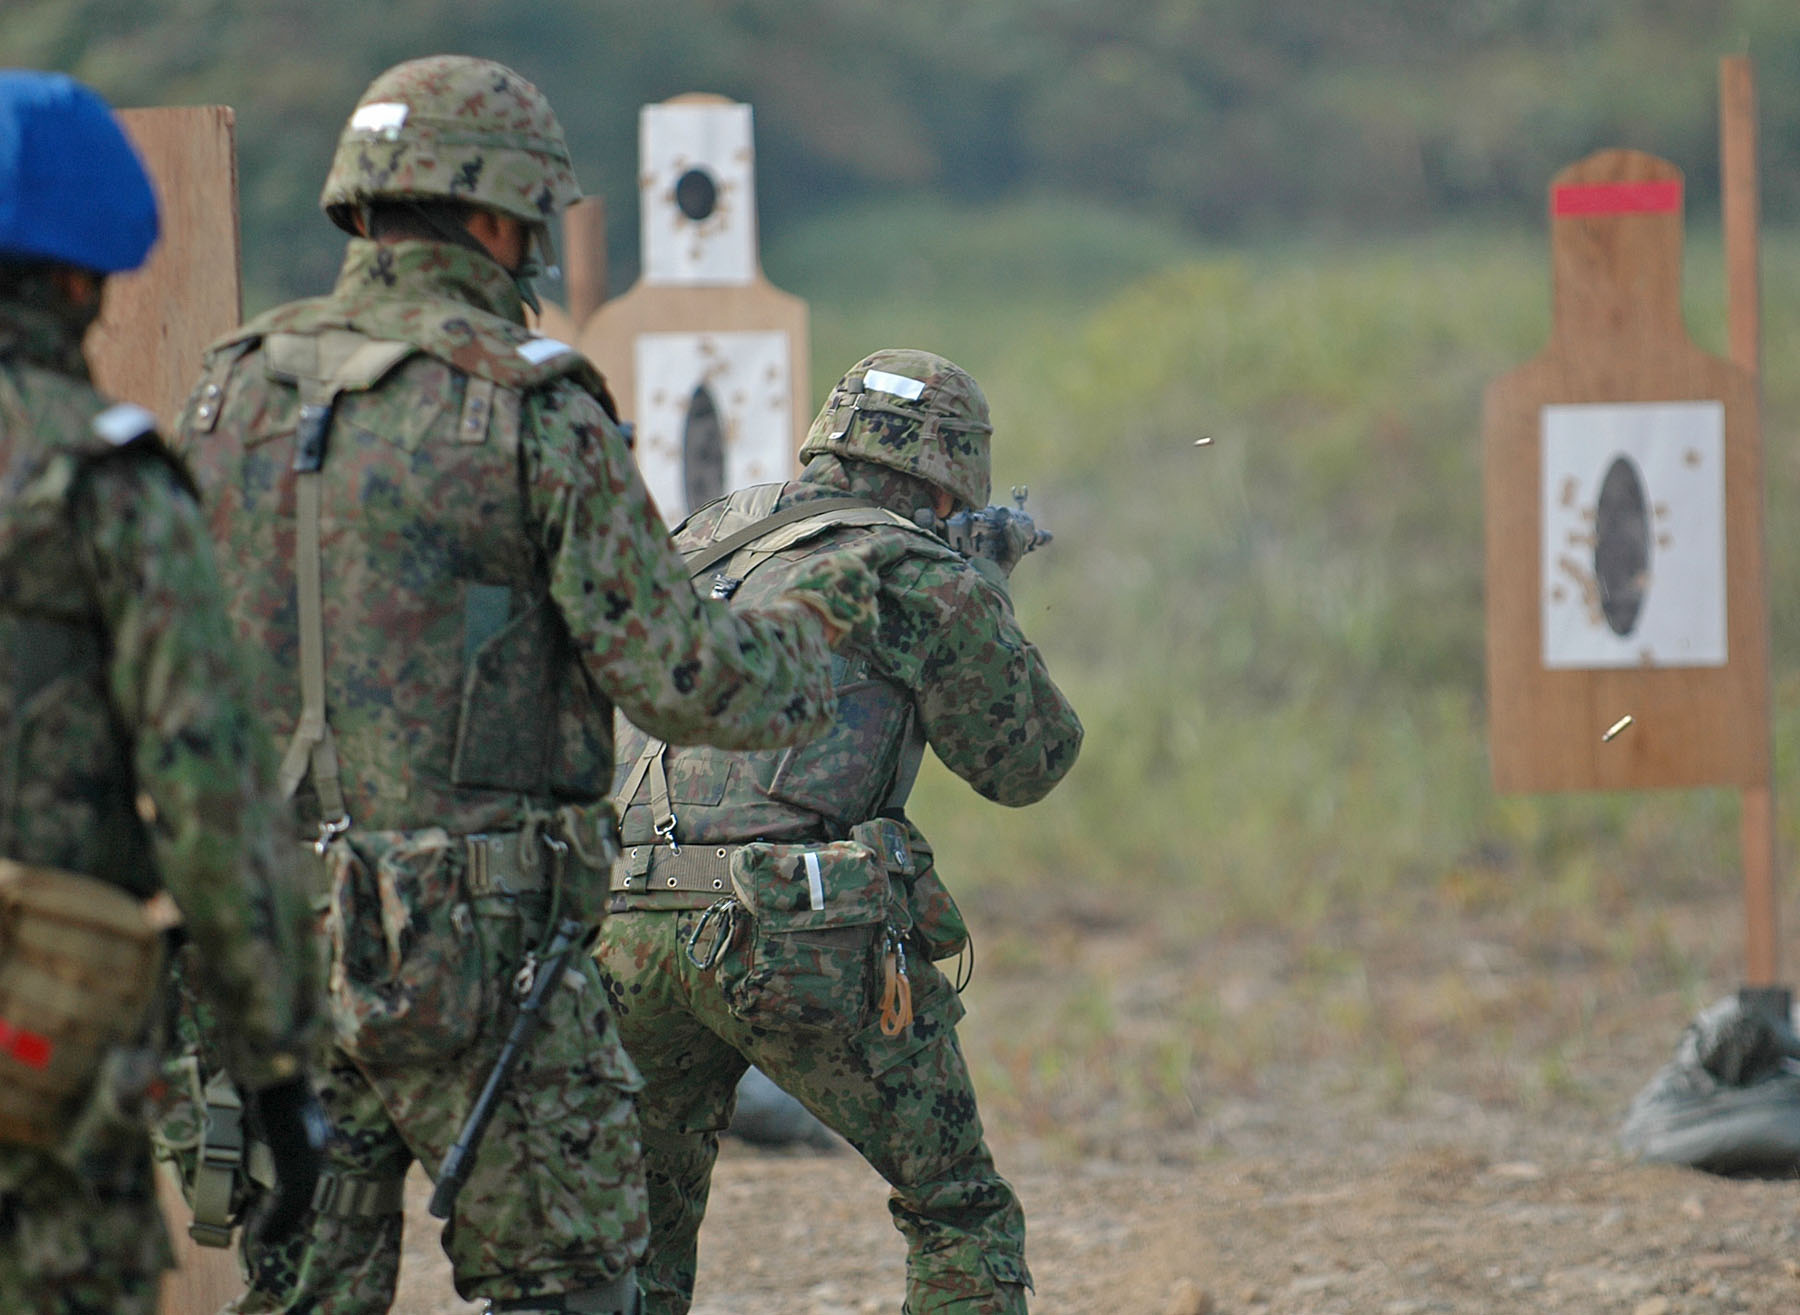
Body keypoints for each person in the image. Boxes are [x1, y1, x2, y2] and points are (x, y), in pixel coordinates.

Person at [170, 55, 879, 1315]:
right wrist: (819, 639)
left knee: (299, 1295)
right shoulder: (531, 404)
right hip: (484, 953)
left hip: (268, 939)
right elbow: (683, 679)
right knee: (568, 1290)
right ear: (498, 217)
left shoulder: (228, 392)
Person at [597, 348, 1084, 1315]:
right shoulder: (912, 566)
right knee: (959, 1210)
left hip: (621, 922)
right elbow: (1027, 761)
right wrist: (982, 586)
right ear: (951, 479)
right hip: (788, 932)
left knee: (630, 1240)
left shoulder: (704, 535)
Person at [0, 71, 322, 1315]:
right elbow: (208, 795)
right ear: (87, 278)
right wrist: (280, 1064)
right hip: (40, 1021)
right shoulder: (107, 480)